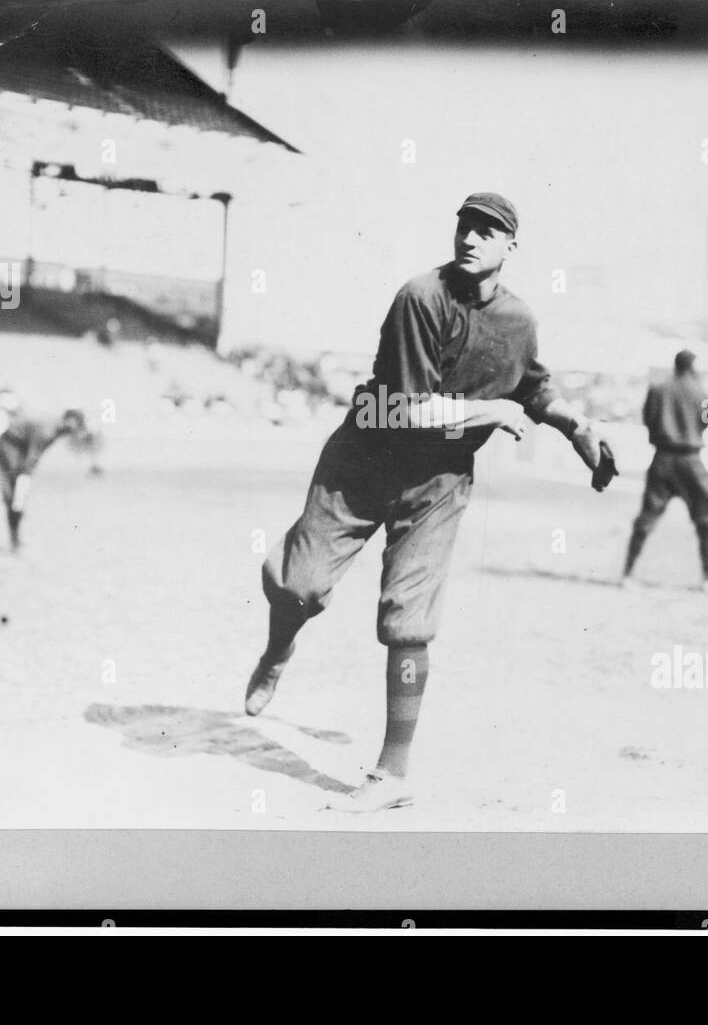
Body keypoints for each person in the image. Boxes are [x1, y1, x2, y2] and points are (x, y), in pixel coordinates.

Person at [243, 193, 618, 813]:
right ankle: (278, 647)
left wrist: (574, 425)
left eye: (489, 230)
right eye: (465, 226)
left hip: (439, 479)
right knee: (298, 587)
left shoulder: (518, 319)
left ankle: (392, 775)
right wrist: (491, 411)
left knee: (409, 623)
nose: (472, 237)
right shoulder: (420, 298)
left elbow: (532, 385)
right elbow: (405, 411)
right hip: (367, 455)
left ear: (510, 246)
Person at [621, 350, 708, 593]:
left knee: (647, 516)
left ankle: (627, 574)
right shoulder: (703, 393)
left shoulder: (657, 390)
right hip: (690, 459)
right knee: (706, 517)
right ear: (693, 367)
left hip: (662, 458)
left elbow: (648, 418)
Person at [0, 408, 87, 550]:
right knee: (14, 496)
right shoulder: (47, 430)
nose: (75, 430)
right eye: (77, 424)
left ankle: (15, 539)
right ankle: (14, 540)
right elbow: (33, 454)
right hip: (10, 445)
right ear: (69, 421)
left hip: (22, 448)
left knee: (19, 497)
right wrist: (25, 475)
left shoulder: (57, 429)